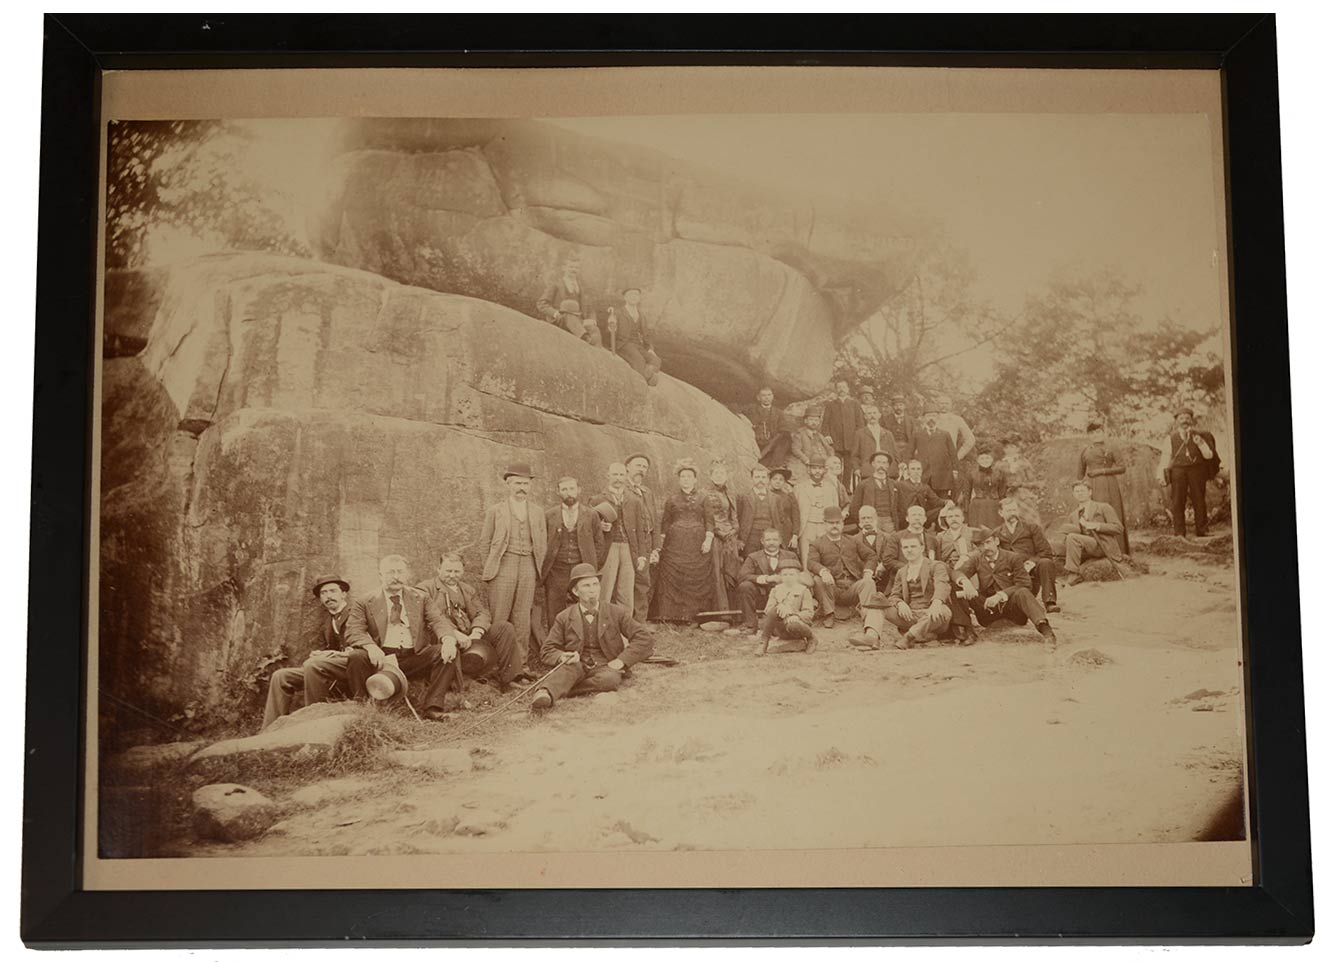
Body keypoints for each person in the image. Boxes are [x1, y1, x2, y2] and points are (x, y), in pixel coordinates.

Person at [345, 555, 459, 721]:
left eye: (400, 572)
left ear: (407, 575)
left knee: (445, 652)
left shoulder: (421, 597)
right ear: (380, 575)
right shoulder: (364, 601)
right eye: (391, 572)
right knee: (356, 656)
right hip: (381, 658)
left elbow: (438, 620)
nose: (396, 577)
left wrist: (448, 640)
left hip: (414, 657)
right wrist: (370, 647)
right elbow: (353, 630)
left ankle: (433, 708)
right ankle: (365, 709)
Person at [531, 564, 654, 712]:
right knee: (567, 671)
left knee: (610, 679)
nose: (592, 590)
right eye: (586, 586)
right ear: (576, 592)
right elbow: (547, 650)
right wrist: (562, 656)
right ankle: (544, 693)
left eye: (595, 584)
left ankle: (564, 689)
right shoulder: (564, 617)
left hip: (605, 666)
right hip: (577, 665)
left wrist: (621, 661)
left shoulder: (615, 612)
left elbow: (644, 638)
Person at [262, 574, 354, 730]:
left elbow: (366, 647)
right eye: (323, 593)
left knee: (313, 665)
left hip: (354, 668)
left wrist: (335, 655)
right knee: (281, 676)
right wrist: (322, 653)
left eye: (332, 591)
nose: (328, 596)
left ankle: (312, 725)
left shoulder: (355, 613)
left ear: (343, 594)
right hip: (331, 669)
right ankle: (269, 730)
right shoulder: (328, 620)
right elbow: (331, 648)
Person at [418, 552, 521, 693]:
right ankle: (456, 684)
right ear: (438, 569)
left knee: (504, 628)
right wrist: (453, 634)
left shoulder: (467, 589)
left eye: (457, 571)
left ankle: (508, 680)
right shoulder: (425, 589)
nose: (453, 575)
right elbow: (430, 619)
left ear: (463, 571)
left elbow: (482, 612)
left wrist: (477, 631)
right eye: (448, 571)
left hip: (470, 636)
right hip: (444, 638)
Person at [480, 462, 548, 675]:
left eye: (526, 484)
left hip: (528, 564)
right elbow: (485, 541)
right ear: (508, 484)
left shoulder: (537, 512)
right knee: (499, 616)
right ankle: (494, 664)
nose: (522, 488)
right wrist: (492, 567)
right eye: (518, 483)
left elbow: (542, 542)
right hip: (504, 563)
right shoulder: (496, 511)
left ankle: (521, 666)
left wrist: (537, 567)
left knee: (522, 618)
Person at [954, 529, 1058, 648]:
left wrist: (1001, 595)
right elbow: (957, 573)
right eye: (981, 545)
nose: (986, 547)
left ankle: (1046, 631)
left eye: (988, 542)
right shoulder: (976, 558)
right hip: (987, 610)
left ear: (997, 541)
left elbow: (1025, 583)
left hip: (1013, 610)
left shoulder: (1012, 557)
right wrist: (965, 582)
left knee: (1022, 592)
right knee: (958, 589)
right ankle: (968, 632)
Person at [853, 532, 957, 650]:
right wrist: (900, 603)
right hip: (911, 615)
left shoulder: (936, 566)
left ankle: (909, 637)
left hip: (933, 615)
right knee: (878, 604)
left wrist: (937, 602)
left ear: (922, 548)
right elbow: (894, 595)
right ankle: (872, 637)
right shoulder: (902, 572)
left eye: (913, 546)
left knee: (944, 610)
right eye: (905, 547)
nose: (909, 550)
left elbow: (942, 585)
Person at [539, 476, 606, 654]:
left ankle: (587, 646)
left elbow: (599, 543)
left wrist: (591, 566)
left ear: (579, 490)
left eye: (572, 489)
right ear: (558, 492)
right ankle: (556, 650)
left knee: (586, 606)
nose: (569, 493)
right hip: (556, 569)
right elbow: (542, 542)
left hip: (581, 568)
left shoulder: (590, 514)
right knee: (555, 609)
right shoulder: (549, 515)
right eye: (564, 489)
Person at [654, 461, 717, 623]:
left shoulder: (704, 498)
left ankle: (694, 615)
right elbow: (666, 523)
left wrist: (708, 540)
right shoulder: (672, 499)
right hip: (675, 543)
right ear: (679, 479)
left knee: (694, 576)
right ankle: (672, 616)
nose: (686, 480)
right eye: (683, 477)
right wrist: (660, 545)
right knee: (675, 575)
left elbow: (710, 520)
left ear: (695, 479)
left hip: (697, 541)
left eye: (689, 476)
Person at [806, 505, 877, 628]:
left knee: (868, 582)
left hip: (852, 587)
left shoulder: (852, 540)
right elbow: (811, 562)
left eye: (837, 523)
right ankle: (829, 613)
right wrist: (823, 572)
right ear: (824, 524)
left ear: (842, 523)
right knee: (818, 579)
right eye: (831, 523)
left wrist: (867, 572)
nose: (834, 526)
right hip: (832, 588)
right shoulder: (817, 543)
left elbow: (871, 556)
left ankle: (868, 616)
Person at [591, 462, 650, 612]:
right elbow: (588, 528)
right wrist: (601, 526)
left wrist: (642, 555)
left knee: (626, 593)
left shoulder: (635, 501)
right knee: (605, 589)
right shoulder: (597, 499)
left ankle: (625, 631)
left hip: (629, 549)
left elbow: (641, 531)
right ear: (608, 476)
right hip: (608, 549)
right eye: (615, 474)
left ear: (626, 476)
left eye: (621, 475)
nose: (618, 478)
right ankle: (600, 628)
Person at [1158, 408, 1220, 538]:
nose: (1184, 421)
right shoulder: (1171, 438)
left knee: (1199, 499)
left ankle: (1202, 531)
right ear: (1176, 421)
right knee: (1177, 501)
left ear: (1191, 420)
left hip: (1196, 470)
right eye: (1181, 418)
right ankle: (1179, 533)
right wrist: (1160, 475)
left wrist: (1201, 443)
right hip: (1178, 471)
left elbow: (1209, 456)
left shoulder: (1200, 435)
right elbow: (1165, 458)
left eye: (1187, 418)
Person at [995, 497, 1059, 611]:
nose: (1013, 513)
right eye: (1009, 511)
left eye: (1014, 510)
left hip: (1031, 567)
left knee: (1046, 563)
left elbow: (1046, 552)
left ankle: (1050, 602)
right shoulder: (997, 533)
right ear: (1000, 513)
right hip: (1012, 572)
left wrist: (1031, 563)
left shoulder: (1031, 528)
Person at [736, 527, 804, 633]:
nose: (771, 543)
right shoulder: (753, 557)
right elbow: (742, 576)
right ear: (762, 541)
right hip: (762, 596)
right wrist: (766, 579)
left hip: (785, 595)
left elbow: (800, 576)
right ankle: (750, 624)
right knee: (745, 586)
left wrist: (784, 579)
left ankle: (792, 621)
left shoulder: (791, 556)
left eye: (775, 540)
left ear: (780, 541)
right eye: (768, 540)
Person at [1079, 421, 1131, 555]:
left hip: (1109, 485)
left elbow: (1122, 467)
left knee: (1111, 514)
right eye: (1092, 433)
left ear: (1103, 432)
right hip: (1091, 486)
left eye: (1098, 432)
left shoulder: (1112, 447)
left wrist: (1102, 471)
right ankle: (1096, 550)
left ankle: (1119, 551)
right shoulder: (1085, 451)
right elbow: (1079, 475)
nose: (1096, 435)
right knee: (1092, 515)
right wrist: (1082, 491)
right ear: (1089, 435)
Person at [1064, 480, 1125, 586]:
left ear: (1090, 492)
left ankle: (1073, 574)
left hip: (1103, 545)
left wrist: (1096, 525)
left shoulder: (1103, 507)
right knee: (1067, 538)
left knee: (1072, 537)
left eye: (1082, 491)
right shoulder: (1073, 515)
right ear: (1073, 494)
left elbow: (1119, 528)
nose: (1080, 493)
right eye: (1077, 491)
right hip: (1085, 549)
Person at [703, 459, 745, 608]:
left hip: (730, 537)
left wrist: (734, 530)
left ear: (727, 476)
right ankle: (720, 608)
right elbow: (706, 517)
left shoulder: (730, 493)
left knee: (732, 569)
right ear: (710, 475)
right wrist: (719, 533)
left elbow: (734, 516)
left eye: (722, 473)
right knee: (717, 571)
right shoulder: (705, 493)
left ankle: (734, 609)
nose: (719, 476)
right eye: (716, 473)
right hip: (715, 537)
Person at [625, 453, 663, 620]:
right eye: (637, 465)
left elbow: (654, 520)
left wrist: (656, 548)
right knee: (626, 582)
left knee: (643, 582)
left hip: (647, 543)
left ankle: (640, 623)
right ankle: (625, 621)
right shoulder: (623, 489)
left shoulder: (647, 492)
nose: (641, 469)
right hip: (629, 543)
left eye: (644, 467)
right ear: (627, 467)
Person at [756, 557, 819, 656]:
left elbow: (809, 613)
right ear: (780, 576)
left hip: (796, 626)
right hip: (779, 628)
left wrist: (794, 615)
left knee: (793, 624)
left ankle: (811, 638)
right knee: (774, 610)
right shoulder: (776, 590)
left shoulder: (803, 590)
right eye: (785, 574)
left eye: (791, 574)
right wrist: (780, 607)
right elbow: (768, 610)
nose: (788, 577)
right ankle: (764, 642)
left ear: (798, 576)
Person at [536, 256, 601, 346]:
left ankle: (597, 352)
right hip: (561, 319)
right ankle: (585, 338)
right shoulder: (556, 285)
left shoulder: (582, 288)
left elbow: (590, 308)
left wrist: (592, 320)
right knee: (569, 316)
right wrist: (555, 313)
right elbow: (541, 304)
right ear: (564, 268)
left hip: (580, 320)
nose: (574, 270)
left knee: (594, 329)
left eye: (576, 267)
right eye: (571, 267)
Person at [604, 286, 661, 385]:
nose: (634, 297)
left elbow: (646, 335)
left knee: (656, 360)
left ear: (639, 298)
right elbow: (609, 332)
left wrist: (650, 348)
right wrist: (611, 326)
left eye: (636, 294)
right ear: (625, 297)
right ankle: (646, 380)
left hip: (638, 345)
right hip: (623, 344)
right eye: (631, 294)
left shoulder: (641, 315)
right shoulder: (618, 312)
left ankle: (647, 377)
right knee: (639, 360)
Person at [738, 464, 795, 558]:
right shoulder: (743, 497)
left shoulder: (776, 498)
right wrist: (740, 539)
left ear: (768, 479)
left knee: (770, 561)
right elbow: (739, 518)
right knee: (751, 559)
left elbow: (781, 520)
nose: (760, 480)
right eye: (757, 477)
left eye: (763, 477)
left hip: (770, 536)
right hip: (751, 535)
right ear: (751, 478)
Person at [793, 456, 842, 565]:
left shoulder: (831, 488)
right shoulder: (799, 488)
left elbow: (835, 509)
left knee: (826, 556)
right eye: (814, 468)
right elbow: (795, 512)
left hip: (825, 526)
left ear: (824, 470)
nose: (817, 471)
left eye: (820, 468)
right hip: (806, 526)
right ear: (808, 470)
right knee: (806, 558)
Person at [878, 504, 942, 585]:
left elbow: (937, 562)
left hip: (928, 581)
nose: (917, 518)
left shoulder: (932, 539)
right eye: (914, 515)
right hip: (903, 580)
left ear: (925, 519)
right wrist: (910, 568)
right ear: (907, 518)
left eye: (920, 515)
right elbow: (888, 560)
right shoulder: (896, 537)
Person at [822, 380, 865, 489]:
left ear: (848, 389)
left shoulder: (854, 404)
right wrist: (827, 435)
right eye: (839, 387)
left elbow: (860, 424)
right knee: (835, 465)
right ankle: (835, 487)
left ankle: (845, 488)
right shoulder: (831, 405)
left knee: (848, 466)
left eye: (844, 387)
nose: (841, 389)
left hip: (851, 441)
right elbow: (825, 423)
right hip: (835, 441)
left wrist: (859, 439)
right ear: (836, 390)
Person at [912, 406, 959, 501]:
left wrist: (955, 470)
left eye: (934, 416)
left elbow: (953, 454)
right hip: (923, 476)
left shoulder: (945, 434)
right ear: (924, 418)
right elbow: (908, 453)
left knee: (943, 503)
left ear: (938, 418)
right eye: (928, 416)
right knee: (923, 502)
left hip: (942, 477)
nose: (931, 418)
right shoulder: (917, 434)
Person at [847, 451, 899, 535]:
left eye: (884, 463)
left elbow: (900, 506)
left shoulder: (894, 484)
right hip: (871, 521)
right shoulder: (863, 484)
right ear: (873, 464)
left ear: (888, 465)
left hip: (889, 522)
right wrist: (863, 523)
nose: (881, 466)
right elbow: (854, 508)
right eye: (878, 462)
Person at [743, 386, 792, 469]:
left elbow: (784, 429)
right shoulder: (751, 410)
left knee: (785, 440)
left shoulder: (779, 412)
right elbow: (738, 415)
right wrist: (746, 422)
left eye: (769, 395)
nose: (767, 398)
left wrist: (773, 442)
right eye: (764, 395)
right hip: (756, 442)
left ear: (772, 397)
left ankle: (775, 465)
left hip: (772, 443)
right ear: (758, 398)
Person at [998, 436, 1042, 526]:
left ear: (1017, 448)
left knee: (1032, 523)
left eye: (1012, 447)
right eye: (1006, 447)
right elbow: (996, 482)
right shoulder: (999, 465)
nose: (1009, 450)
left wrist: (1021, 484)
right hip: (1008, 497)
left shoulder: (1024, 463)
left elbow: (1036, 483)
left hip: (1024, 498)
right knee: (1011, 523)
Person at [895, 459, 950, 530]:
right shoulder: (900, 485)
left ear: (921, 471)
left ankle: (939, 534)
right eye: (913, 469)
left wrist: (946, 502)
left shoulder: (925, 487)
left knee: (942, 510)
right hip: (906, 517)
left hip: (921, 517)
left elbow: (936, 501)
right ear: (908, 471)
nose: (916, 471)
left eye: (918, 469)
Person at [848, 404, 898, 483]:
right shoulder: (859, 434)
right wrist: (857, 468)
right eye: (869, 413)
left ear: (879, 415)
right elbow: (854, 455)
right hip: (868, 471)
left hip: (887, 471)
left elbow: (896, 454)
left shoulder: (888, 434)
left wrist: (896, 468)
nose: (872, 416)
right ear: (865, 416)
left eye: (874, 413)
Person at [961, 447, 1006, 528]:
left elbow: (1002, 493)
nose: (985, 460)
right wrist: (966, 511)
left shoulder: (999, 473)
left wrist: (1003, 509)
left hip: (994, 506)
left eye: (987, 458)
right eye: (982, 458)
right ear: (978, 460)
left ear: (992, 459)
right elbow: (966, 494)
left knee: (995, 530)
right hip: (977, 507)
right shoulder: (971, 473)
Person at [790, 407, 835, 479]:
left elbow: (829, 449)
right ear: (805, 421)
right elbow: (795, 449)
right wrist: (806, 460)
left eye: (816, 420)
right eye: (811, 420)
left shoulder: (820, 435)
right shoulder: (800, 434)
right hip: (811, 464)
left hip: (824, 465)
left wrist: (831, 459)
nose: (814, 422)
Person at [934, 394, 976, 463]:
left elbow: (970, 439)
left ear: (951, 405)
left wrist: (958, 456)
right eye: (941, 403)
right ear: (936, 404)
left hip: (949, 459)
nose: (944, 406)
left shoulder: (957, 420)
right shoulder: (930, 419)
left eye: (946, 403)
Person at [767, 467, 801, 550]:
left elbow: (796, 516)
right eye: (775, 479)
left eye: (781, 479)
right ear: (770, 481)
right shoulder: (766, 496)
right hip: (770, 531)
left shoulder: (789, 497)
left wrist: (795, 535)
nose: (777, 481)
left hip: (786, 532)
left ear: (784, 482)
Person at [884, 394, 916, 471]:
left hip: (907, 447)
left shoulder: (911, 420)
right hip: (891, 447)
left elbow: (914, 435)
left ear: (904, 406)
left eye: (901, 405)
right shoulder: (885, 419)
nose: (898, 407)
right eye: (896, 405)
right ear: (892, 407)